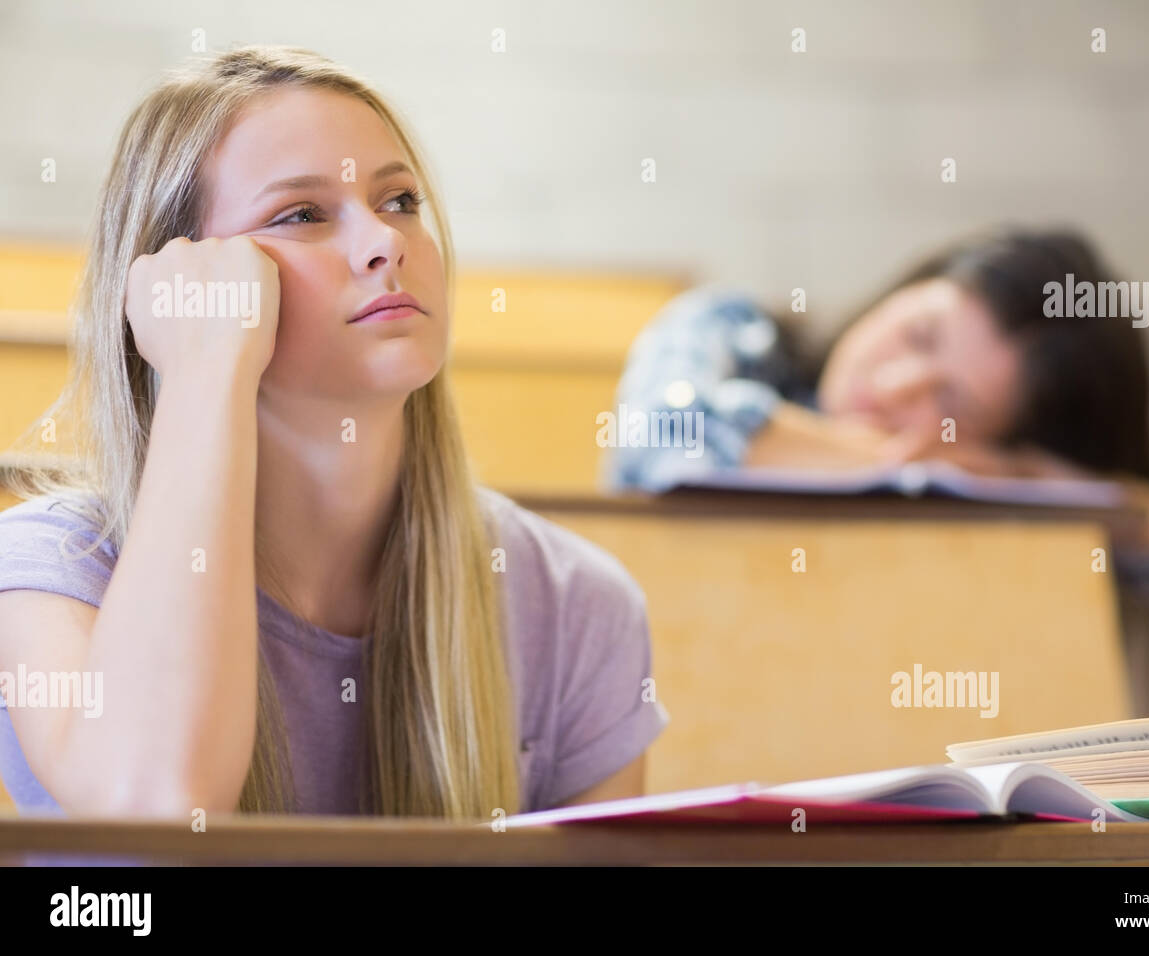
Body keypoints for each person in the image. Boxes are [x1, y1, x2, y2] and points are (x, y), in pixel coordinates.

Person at [0, 46, 668, 820]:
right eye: (303, 215)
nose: (386, 243)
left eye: (400, 201)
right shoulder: (54, 571)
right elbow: (157, 812)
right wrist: (202, 370)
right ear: (181, 281)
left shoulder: (573, 604)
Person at [607, 229, 1149, 620]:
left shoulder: (989, 492)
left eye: (954, 407)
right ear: (909, 285)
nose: (894, 385)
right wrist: (904, 465)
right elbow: (661, 438)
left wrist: (1027, 481)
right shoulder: (734, 331)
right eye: (919, 335)